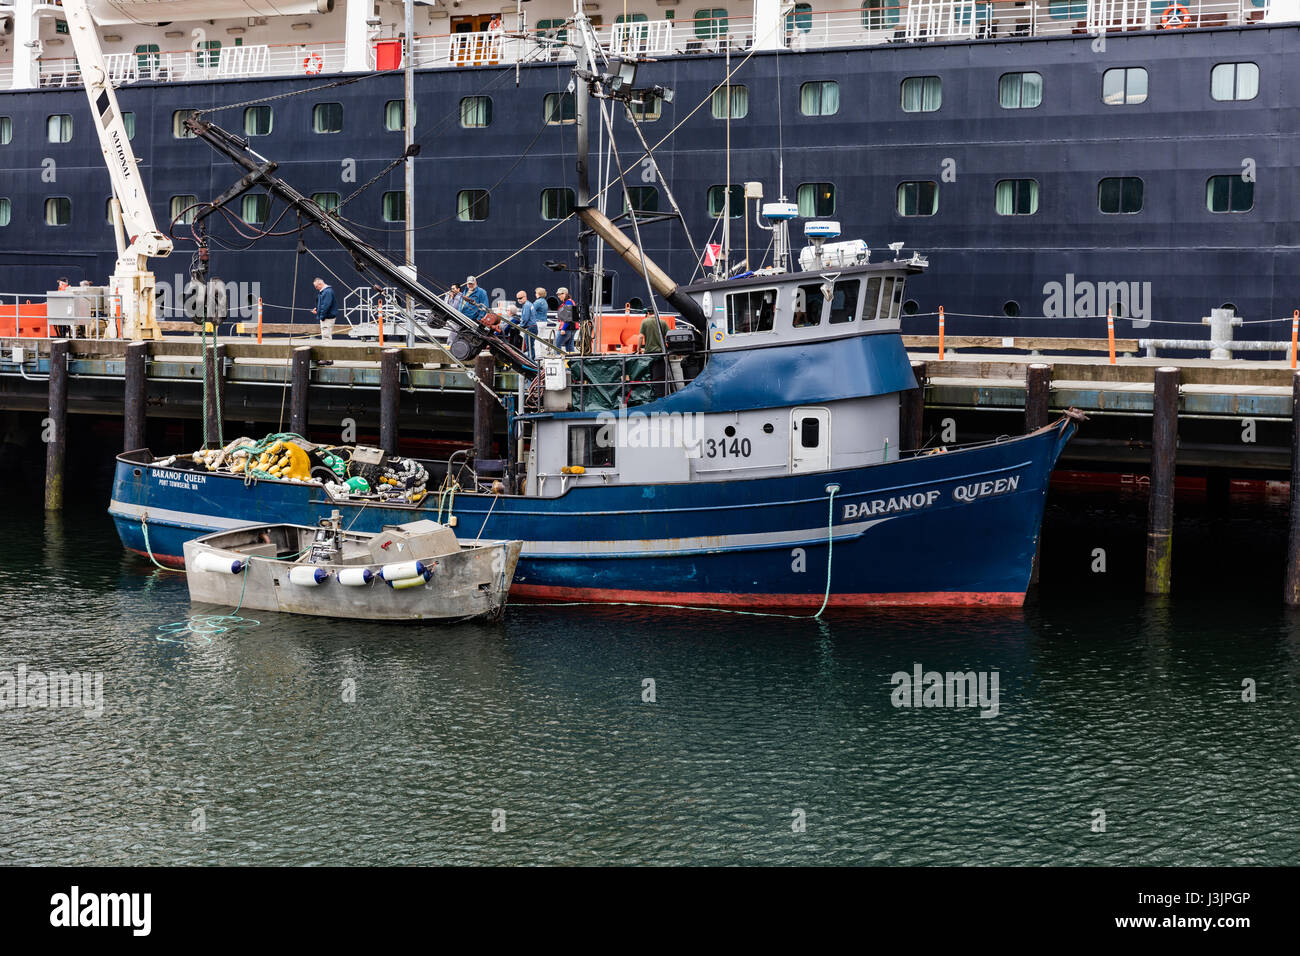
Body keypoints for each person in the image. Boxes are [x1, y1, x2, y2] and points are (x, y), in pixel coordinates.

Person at [554, 286, 576, 352]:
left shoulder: (568, 303)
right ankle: (573, 361)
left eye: (559, 294)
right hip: (572, 327)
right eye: (557, 295)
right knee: (569, 347)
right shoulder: (571, 302)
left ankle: (557, 360)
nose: (558, 296)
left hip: (567, 328)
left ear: (564, 294)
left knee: (556, 345)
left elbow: (568, 317)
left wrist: (563, 329)